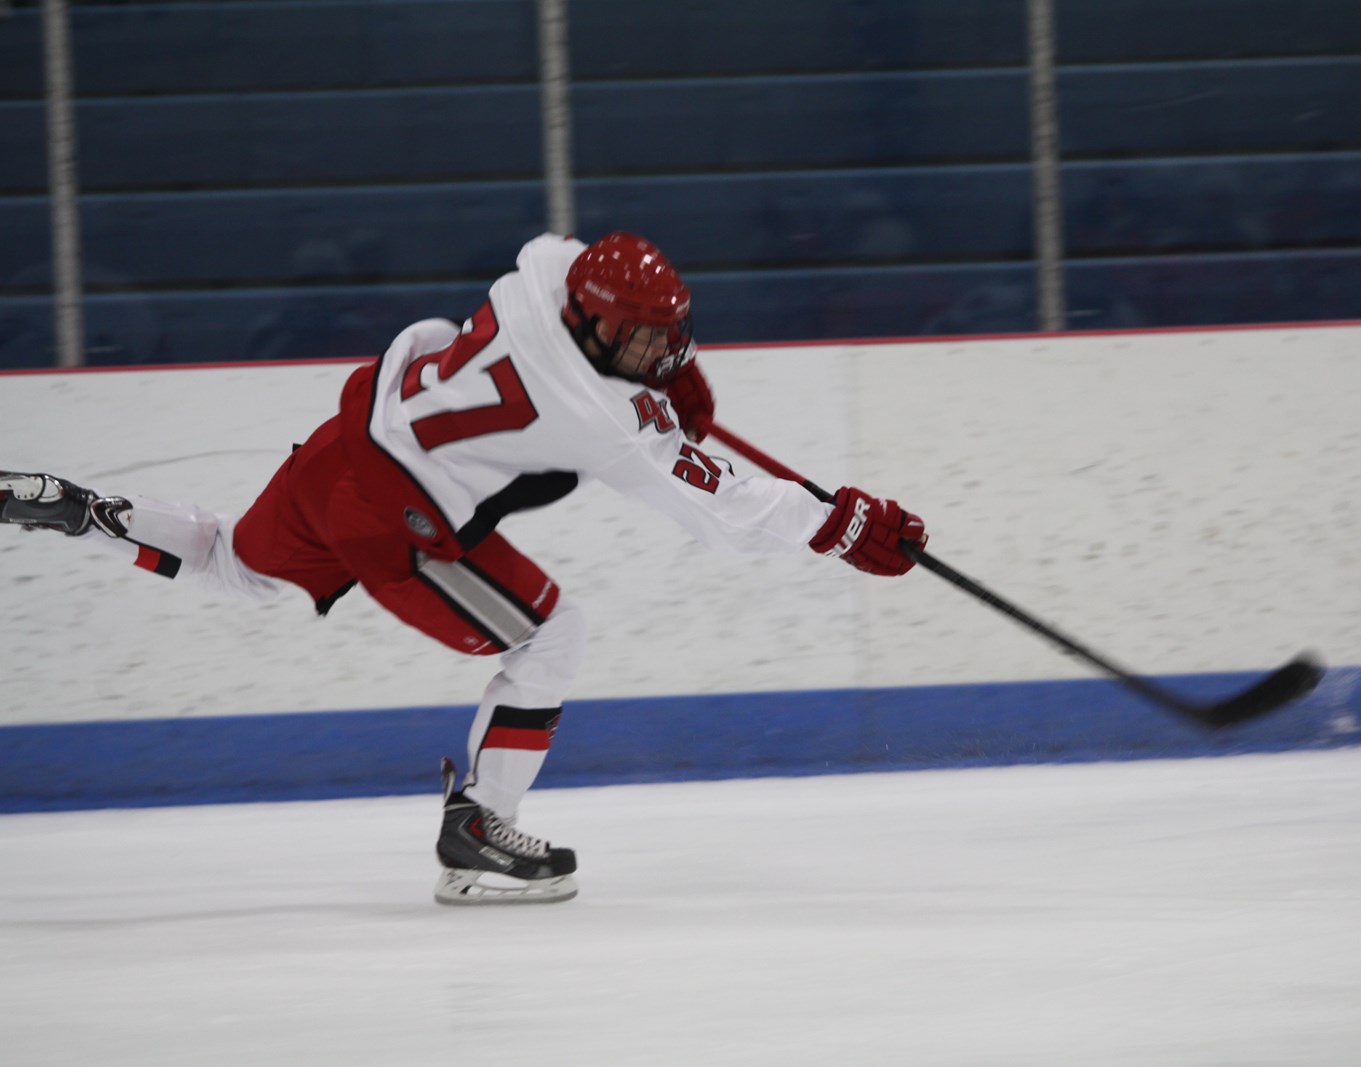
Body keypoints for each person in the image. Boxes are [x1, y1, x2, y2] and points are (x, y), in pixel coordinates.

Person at [0, 232, 928, 905]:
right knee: (554, 633)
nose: (660, 352)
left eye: (667, 335)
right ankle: (480, 824)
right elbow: (723, 504)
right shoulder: (600, 416)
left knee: (233, 562)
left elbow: (589, 275)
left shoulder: (548, 270)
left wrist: (663, 375)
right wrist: (841, 525)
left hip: (348, 444)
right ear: (597, 332)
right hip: (398, 519)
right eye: (643, 342)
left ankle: (87, 510)